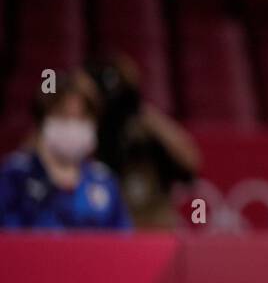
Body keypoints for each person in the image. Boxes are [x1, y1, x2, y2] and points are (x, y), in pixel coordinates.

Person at [1, 68, 133, 231]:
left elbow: (123, 243)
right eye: (62, 116)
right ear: (43, 122)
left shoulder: (104, 181)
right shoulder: (15, 175)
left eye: (81, 117)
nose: (71, 125)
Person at [85, 54, 202, 229]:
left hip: (156, 231)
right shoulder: (89, 134)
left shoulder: (148, 127)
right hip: (109, 234)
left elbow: (191, 161)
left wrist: (139, 109)